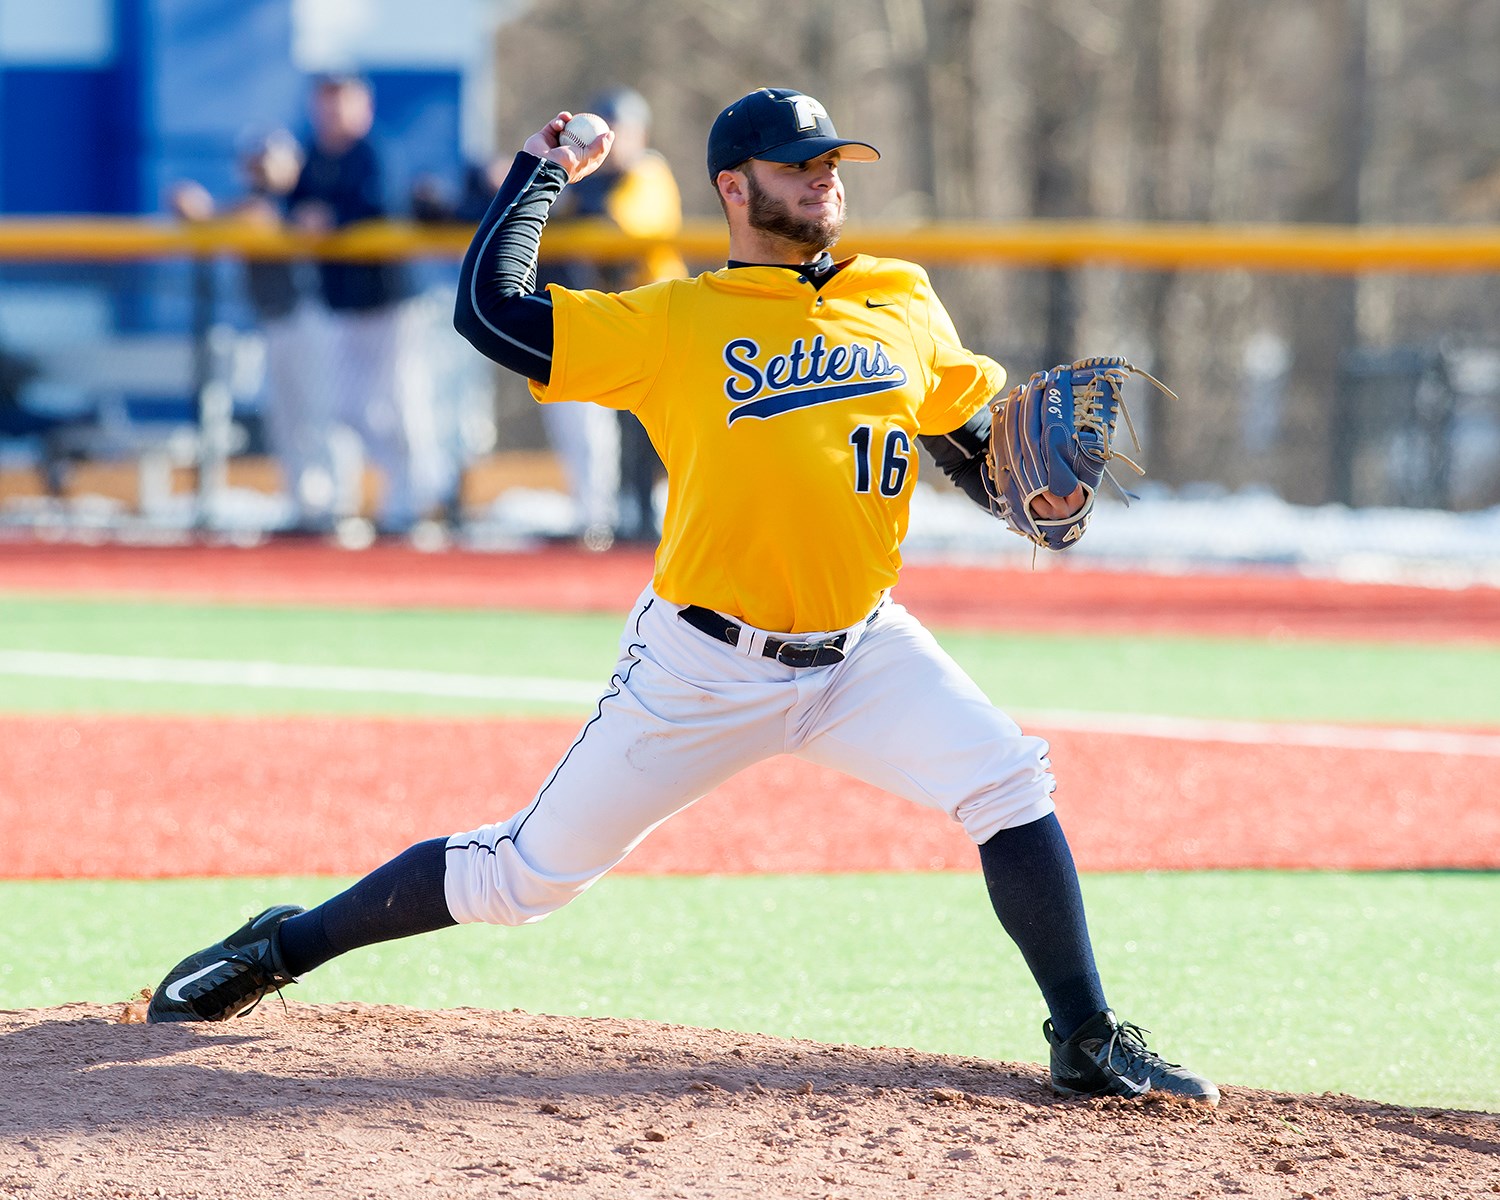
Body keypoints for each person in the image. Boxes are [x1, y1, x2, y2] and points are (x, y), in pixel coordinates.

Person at [145, 87, 1218, 1106]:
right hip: (702, 666)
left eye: (832, 161)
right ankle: (281, 945)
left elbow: (965, 442)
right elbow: (489, 312)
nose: (824, 178)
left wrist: (1027, 495)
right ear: (733, 189)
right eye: (796, 166)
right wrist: (540, 173)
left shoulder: (900, 297)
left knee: (1007, 782)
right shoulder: (674, 322)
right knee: (521, 880)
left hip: (864, 652)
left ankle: (1085, 1038)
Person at [286, 73, 448, 538]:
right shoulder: (313, 156)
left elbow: (380, 204)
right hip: (341, 302)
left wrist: (331, 218)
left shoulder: (374, 152)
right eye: (326, 104)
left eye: (342, 103)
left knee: (401, 401)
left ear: (363, 107)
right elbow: (292, 206)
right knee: (344, 407)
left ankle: (418, 502)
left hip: (389, 300)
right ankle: (403, 491)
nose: (333, 113)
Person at [532, 87, 687, 547]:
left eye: (623, 129)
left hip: (661, 312)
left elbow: (615, 225)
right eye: (610, 128)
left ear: (641, 134)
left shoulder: (648, 172)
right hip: (624, 315)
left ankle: (646, 518)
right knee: (619, 425)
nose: (615, 139)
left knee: (651, 432)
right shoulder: (595, 181)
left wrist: (568, 201)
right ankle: (624, 517)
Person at [169, 131, 344, 535]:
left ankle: (336, 505)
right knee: (285, 417)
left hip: (316, 316)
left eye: (270, 159)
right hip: (276, 319)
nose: (262, 167)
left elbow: (260, 216)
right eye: (256, 160)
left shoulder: (307, 190)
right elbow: (235, 215)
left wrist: (209, 211)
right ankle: (304, 507)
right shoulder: (255, 198)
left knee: (321, 413)